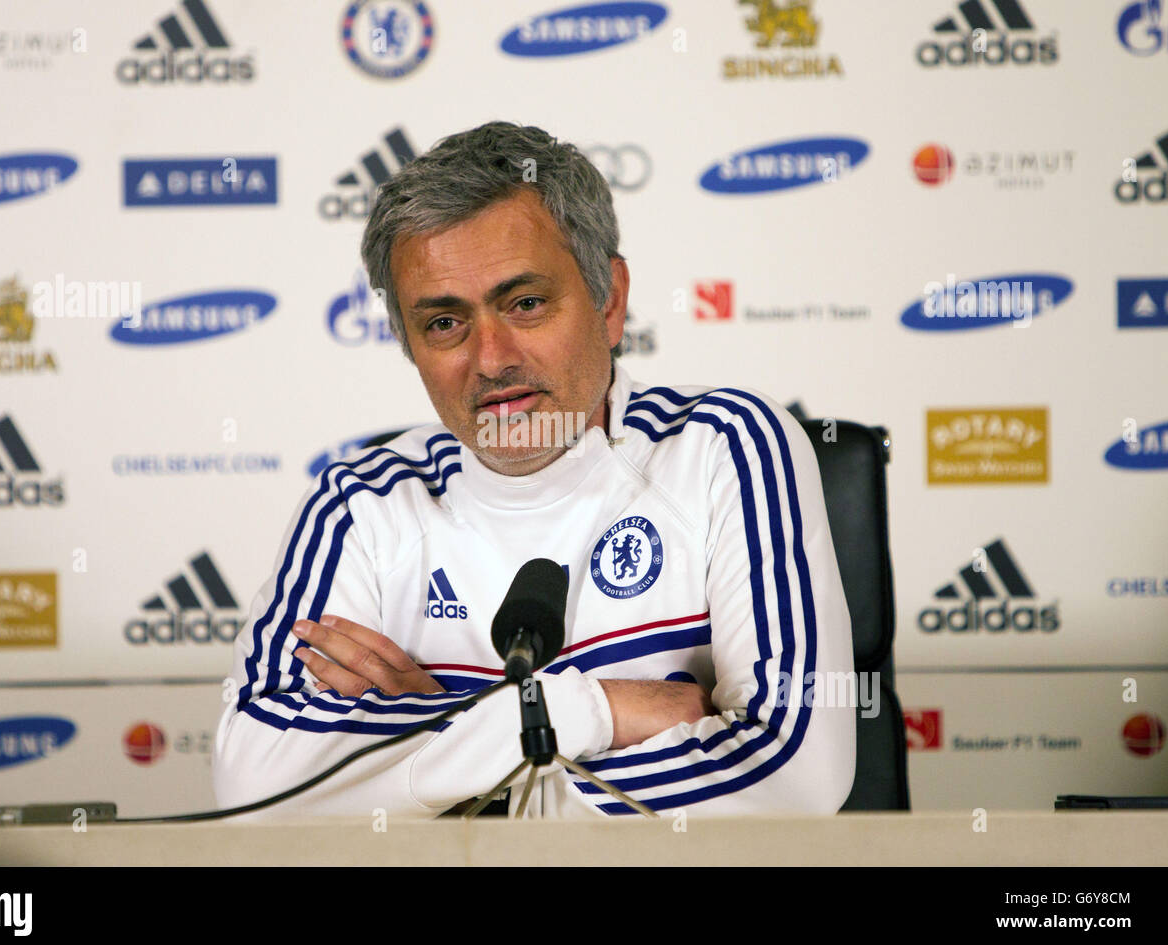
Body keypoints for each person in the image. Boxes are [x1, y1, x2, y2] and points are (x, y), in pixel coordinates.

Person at [212, 121, 856, 819]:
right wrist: (588, 711)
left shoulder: (723, 447)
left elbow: (794, 774)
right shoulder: (362, 505)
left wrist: (444, 762)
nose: (491, 358)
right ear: (408, 343)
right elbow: (254, 785)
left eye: (525, 304)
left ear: (609, 300)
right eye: (444, 323)